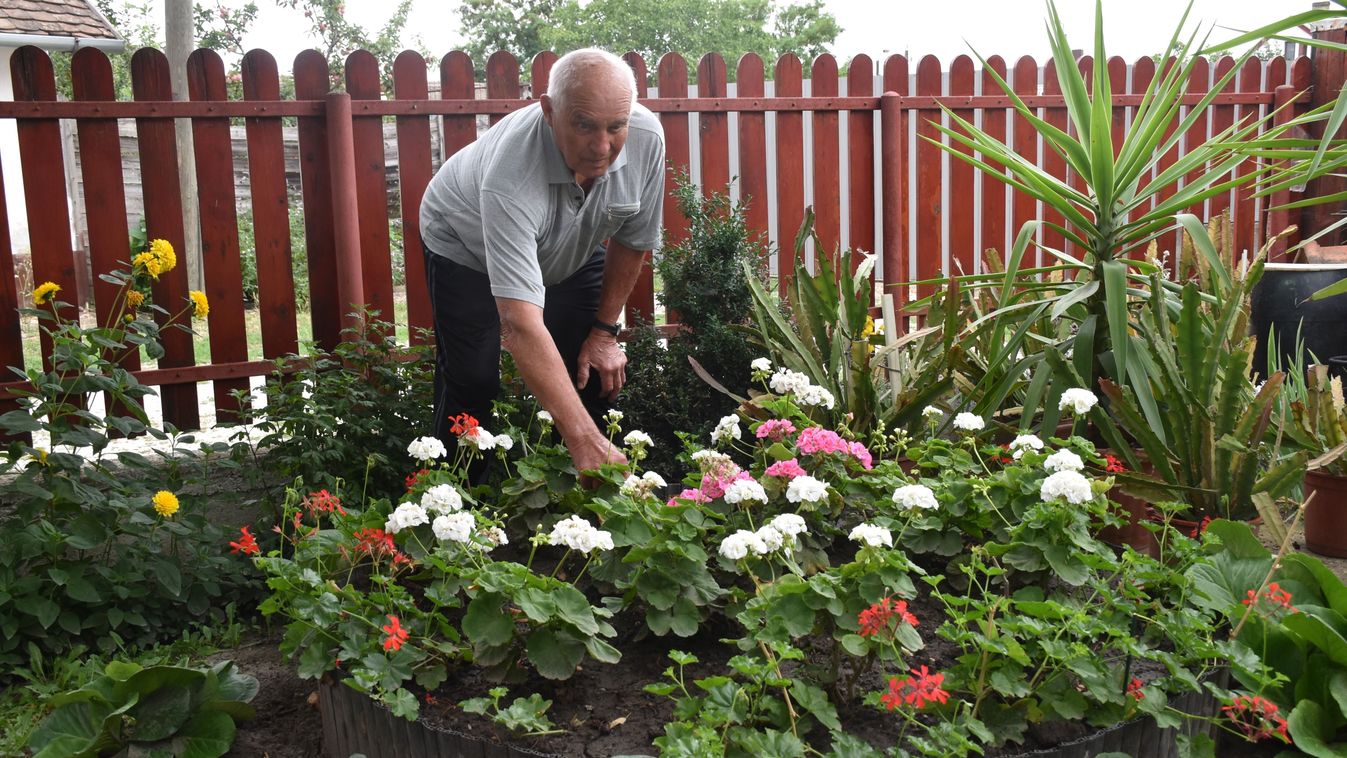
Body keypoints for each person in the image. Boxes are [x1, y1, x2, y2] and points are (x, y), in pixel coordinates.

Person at [418, 47, 665, 476]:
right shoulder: (512, 176)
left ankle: (585, 498)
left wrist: (604, 333)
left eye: (615, 127)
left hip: (570, 244)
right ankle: (454, 502)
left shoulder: (646, 138)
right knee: (474, 380)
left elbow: (632, 240)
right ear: (549, 111)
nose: (602, 147)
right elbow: (520, 324)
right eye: (584, 125)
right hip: (465, 243)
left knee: (590, 366)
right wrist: (582, 439)